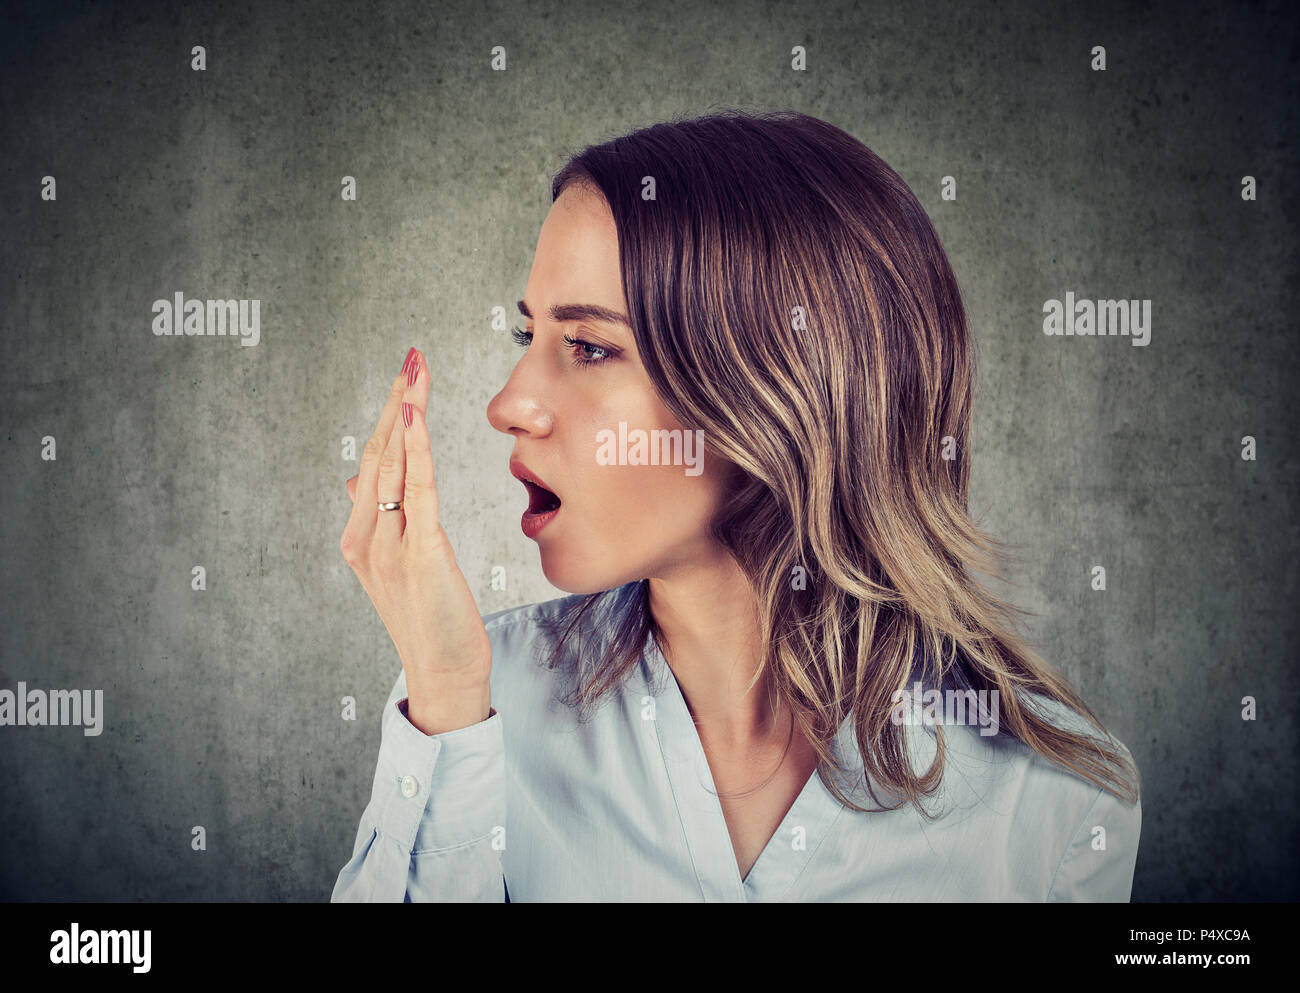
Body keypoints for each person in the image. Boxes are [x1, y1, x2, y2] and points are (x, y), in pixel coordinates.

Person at [331, 110, 1141, 902]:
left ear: (778, 390)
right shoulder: (477, 707)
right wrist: (442, 697)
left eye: (589, 347)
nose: (509, 404)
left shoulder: (1051, 799)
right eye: (528, 339)